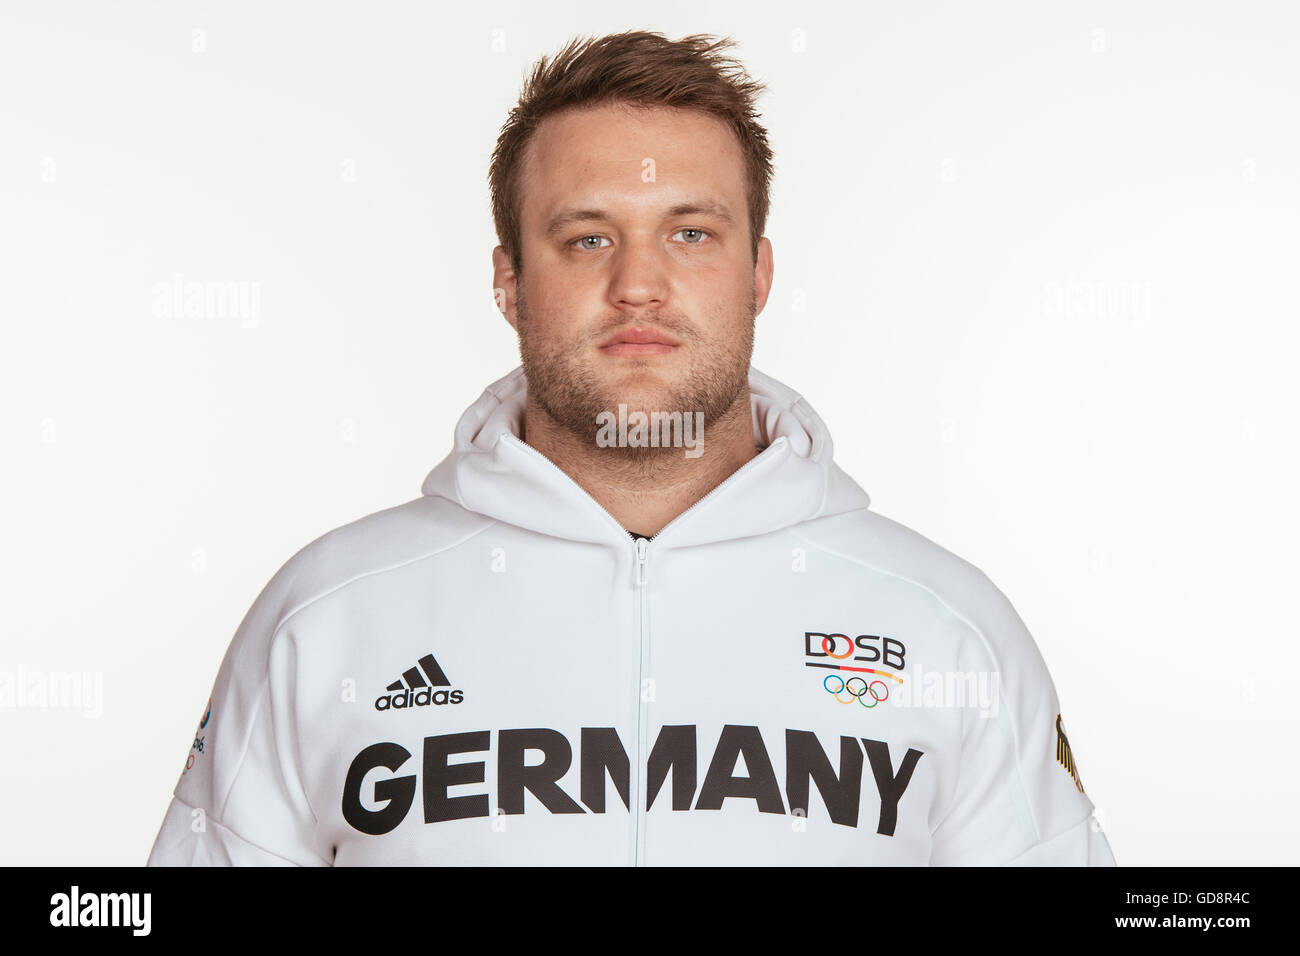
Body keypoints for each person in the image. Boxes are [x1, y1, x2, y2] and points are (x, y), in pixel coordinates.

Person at [147, 30, 1115, 866]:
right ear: (510, 282)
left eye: (690, 233)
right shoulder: (328, 616)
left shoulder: (946, 627)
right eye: (586, 239)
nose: (640, 285)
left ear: (757, 272)